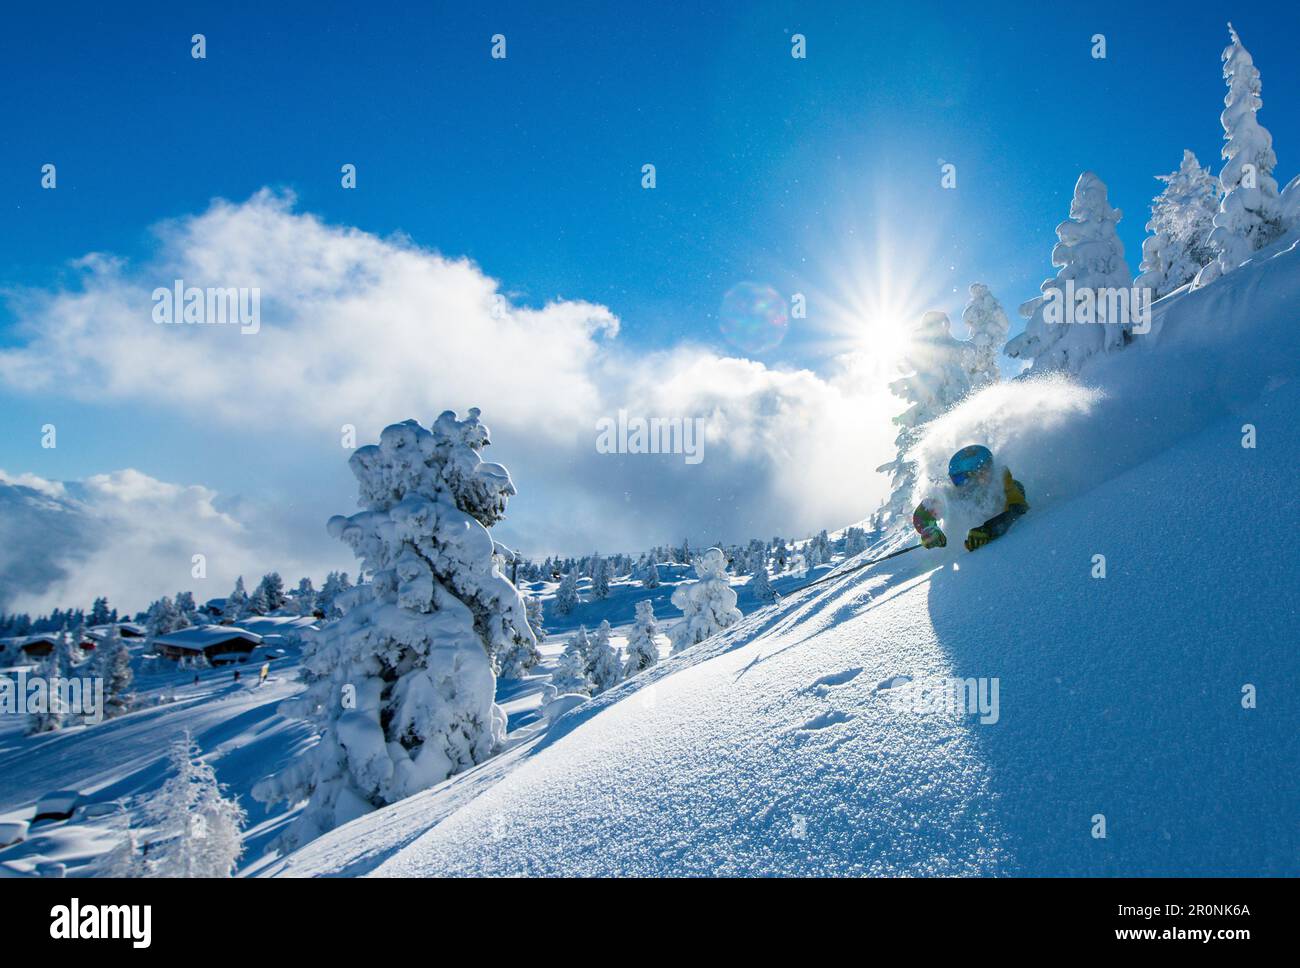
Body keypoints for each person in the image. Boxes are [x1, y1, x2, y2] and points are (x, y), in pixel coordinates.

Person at [913, 445, 1029, 552]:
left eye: (961, 478)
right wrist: (929, 531)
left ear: (980, 473)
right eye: (955, 479)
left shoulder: (1005, 484)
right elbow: (922, 514)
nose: (957, 485)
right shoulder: (954, 494)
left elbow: (1018, 510)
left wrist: (988, 530)